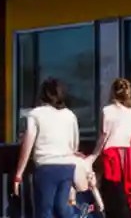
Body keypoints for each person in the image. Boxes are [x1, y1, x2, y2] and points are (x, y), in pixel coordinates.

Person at [13, 78, 81, 218]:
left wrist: (19, 174)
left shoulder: (35, 114)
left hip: (46, 168)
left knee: (45, 211)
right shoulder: (70, 115)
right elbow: (74, 145)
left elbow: (28, 144)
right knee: (62, 209)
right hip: (67, 167)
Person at [90, 78, 131, 218]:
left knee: (111, 199)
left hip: (110, 158)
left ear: (112, 92)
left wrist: (92, 157)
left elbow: (103, 136)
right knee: (127, 198)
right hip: (127, 158)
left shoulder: (106, 111)